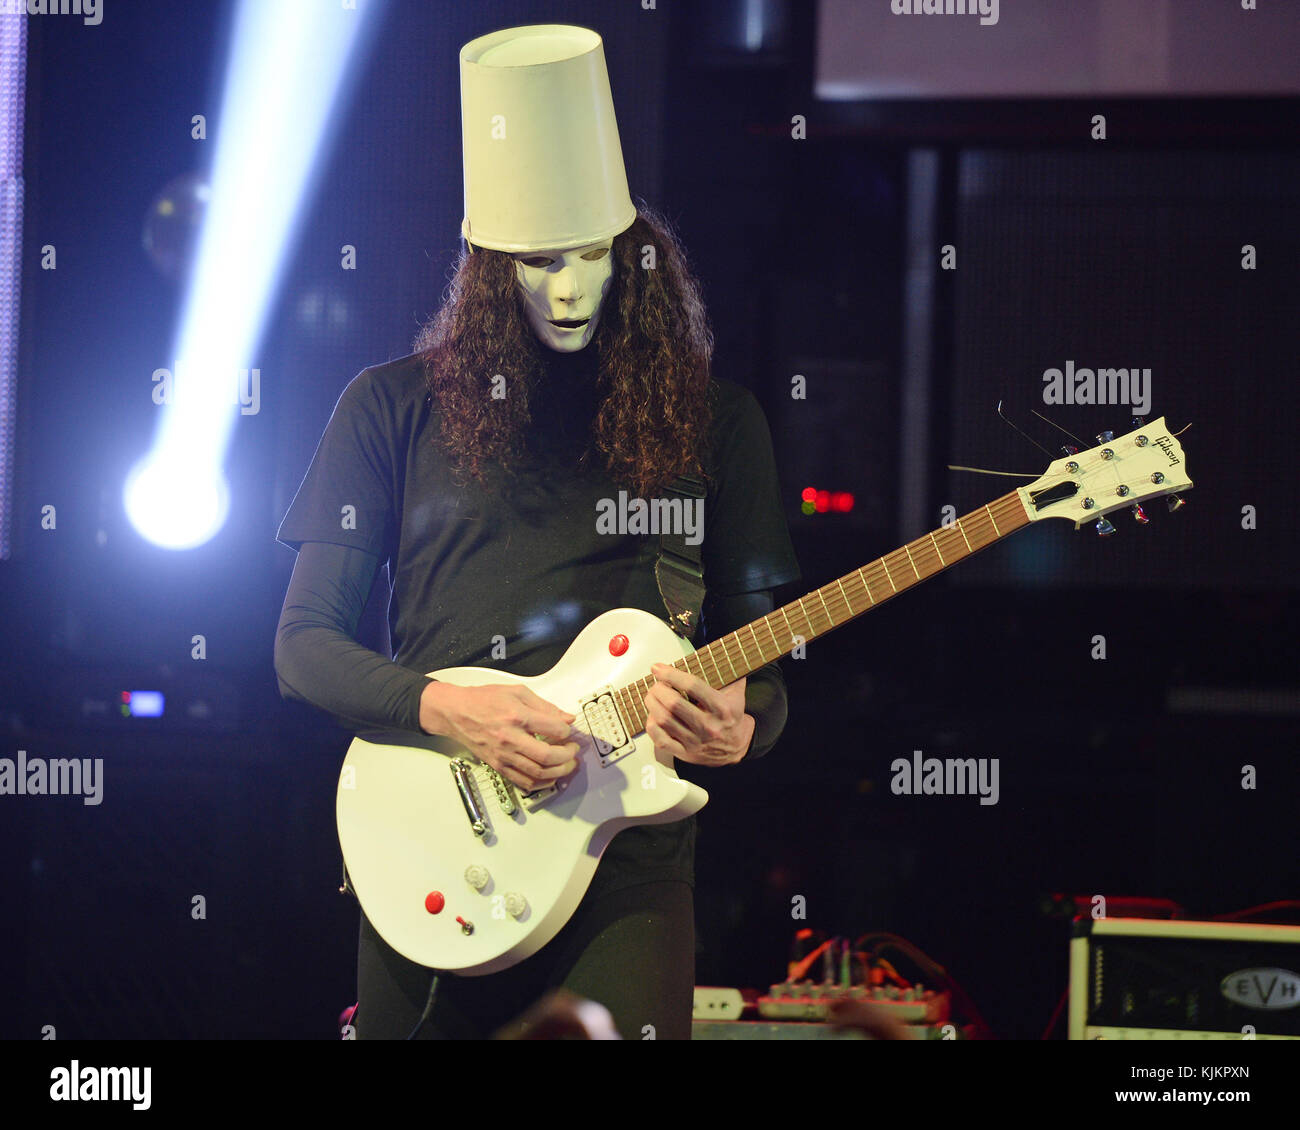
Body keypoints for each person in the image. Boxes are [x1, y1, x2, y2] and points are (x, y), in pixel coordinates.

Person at [273, 24, 800, 1040]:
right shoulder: (388, 408)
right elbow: (303, 649)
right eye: (537, 261)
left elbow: (762, 661)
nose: (567, 289)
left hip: (627, 866)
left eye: (594, 256)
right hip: (436, 836)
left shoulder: (719, 423)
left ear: (636, 252)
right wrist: (449, 709)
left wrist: (744, 724)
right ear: (484, 267)